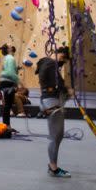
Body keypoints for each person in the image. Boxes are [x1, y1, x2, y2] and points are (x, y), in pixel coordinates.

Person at [37, 46, 72, 178]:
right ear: (61, 55)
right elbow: (56, 84)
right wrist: (66, 90)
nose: (63, 63)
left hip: (50, 101)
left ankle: (53, 165)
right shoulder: (50, 64)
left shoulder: (47, 64)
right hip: (51, 103)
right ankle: (53, 168)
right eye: (63, 59)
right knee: (55, 137)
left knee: (58, 135)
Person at [0, 44, 19, 134]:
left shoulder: (7, 58)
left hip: (4, 83)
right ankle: (6, 126)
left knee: (8, 105)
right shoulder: (10, 58)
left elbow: (7, 71)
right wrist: (19, 82)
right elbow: (10, 73)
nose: (11, 46)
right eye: (10, 46)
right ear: (9, 49)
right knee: (8, 106)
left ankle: (7, 126)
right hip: (8, 83)